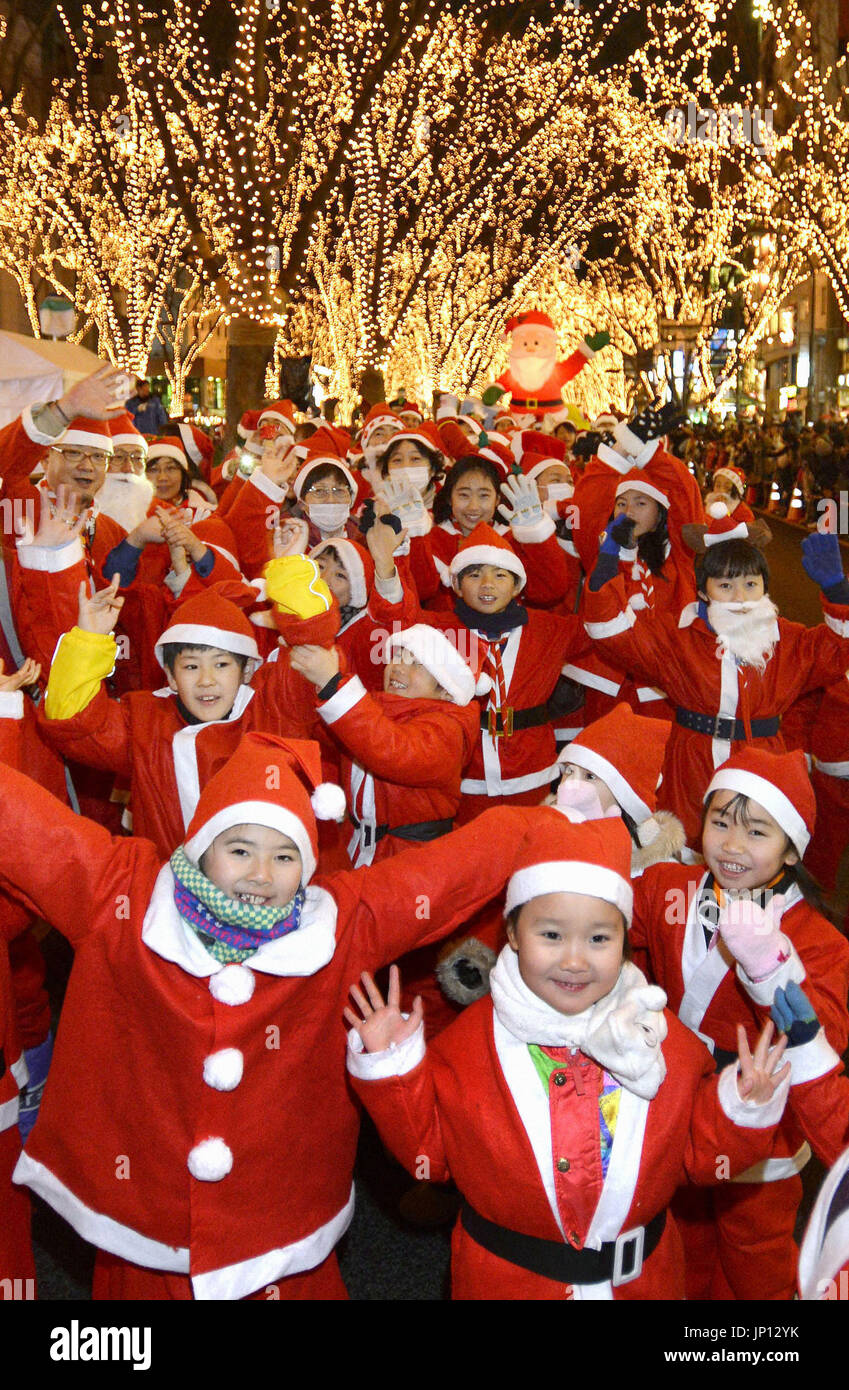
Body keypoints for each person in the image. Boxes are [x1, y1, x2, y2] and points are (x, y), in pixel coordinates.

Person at [5, 730, 563, 1299]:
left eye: (285, 855)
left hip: (282, 1232)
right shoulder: (120, 893)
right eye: (240, 849)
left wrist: (554, 826)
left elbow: (449, 872)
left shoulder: (342, 925)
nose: (261, 875)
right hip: (146, 1218)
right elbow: (24, 824)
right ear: (201, 848)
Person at [346, 810, 791, 1300]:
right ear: (512, 935)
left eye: (599, 938)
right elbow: (429, 1156)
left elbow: (700, 1160)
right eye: (551, 936)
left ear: (624, 941)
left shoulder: (664, 1041)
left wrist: (741, 1107)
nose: (575, 960)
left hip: (642, 1285)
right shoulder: (470, 1046)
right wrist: (394, 1071)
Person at [630, 746, 849, 1299]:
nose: (730, 845)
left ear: (793, 851)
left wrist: (770, 966)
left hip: (764, 1127)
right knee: (682, 1236)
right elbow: (601, 923)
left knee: (756, 1256)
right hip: (676, 1103)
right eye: (720, 821)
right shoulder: (667, 889)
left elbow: (822, 1040)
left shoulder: (823, 944)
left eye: (757, 832)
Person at [582, 505, 849, 843]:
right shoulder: (679, 639)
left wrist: (837, 590)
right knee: (689, 848)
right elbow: (611, 633)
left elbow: (839, 649)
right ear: (704, 591)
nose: (741, 599)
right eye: (726, 586)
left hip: (762, 761)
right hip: (690, 762)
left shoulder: (786, 641)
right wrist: (608, 561)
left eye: (751, 584)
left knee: (754, 852)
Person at [37, 562, 338, 858]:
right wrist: (89, 640)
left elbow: (312, 647)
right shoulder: (145, 721)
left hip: (262, 892)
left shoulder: (272, 707)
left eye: (221, 665)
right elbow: (74, 724)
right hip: (171, 896)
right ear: (170, 676)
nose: (206, 680)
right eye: (191, 666)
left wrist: (298, 596)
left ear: (246, 670)